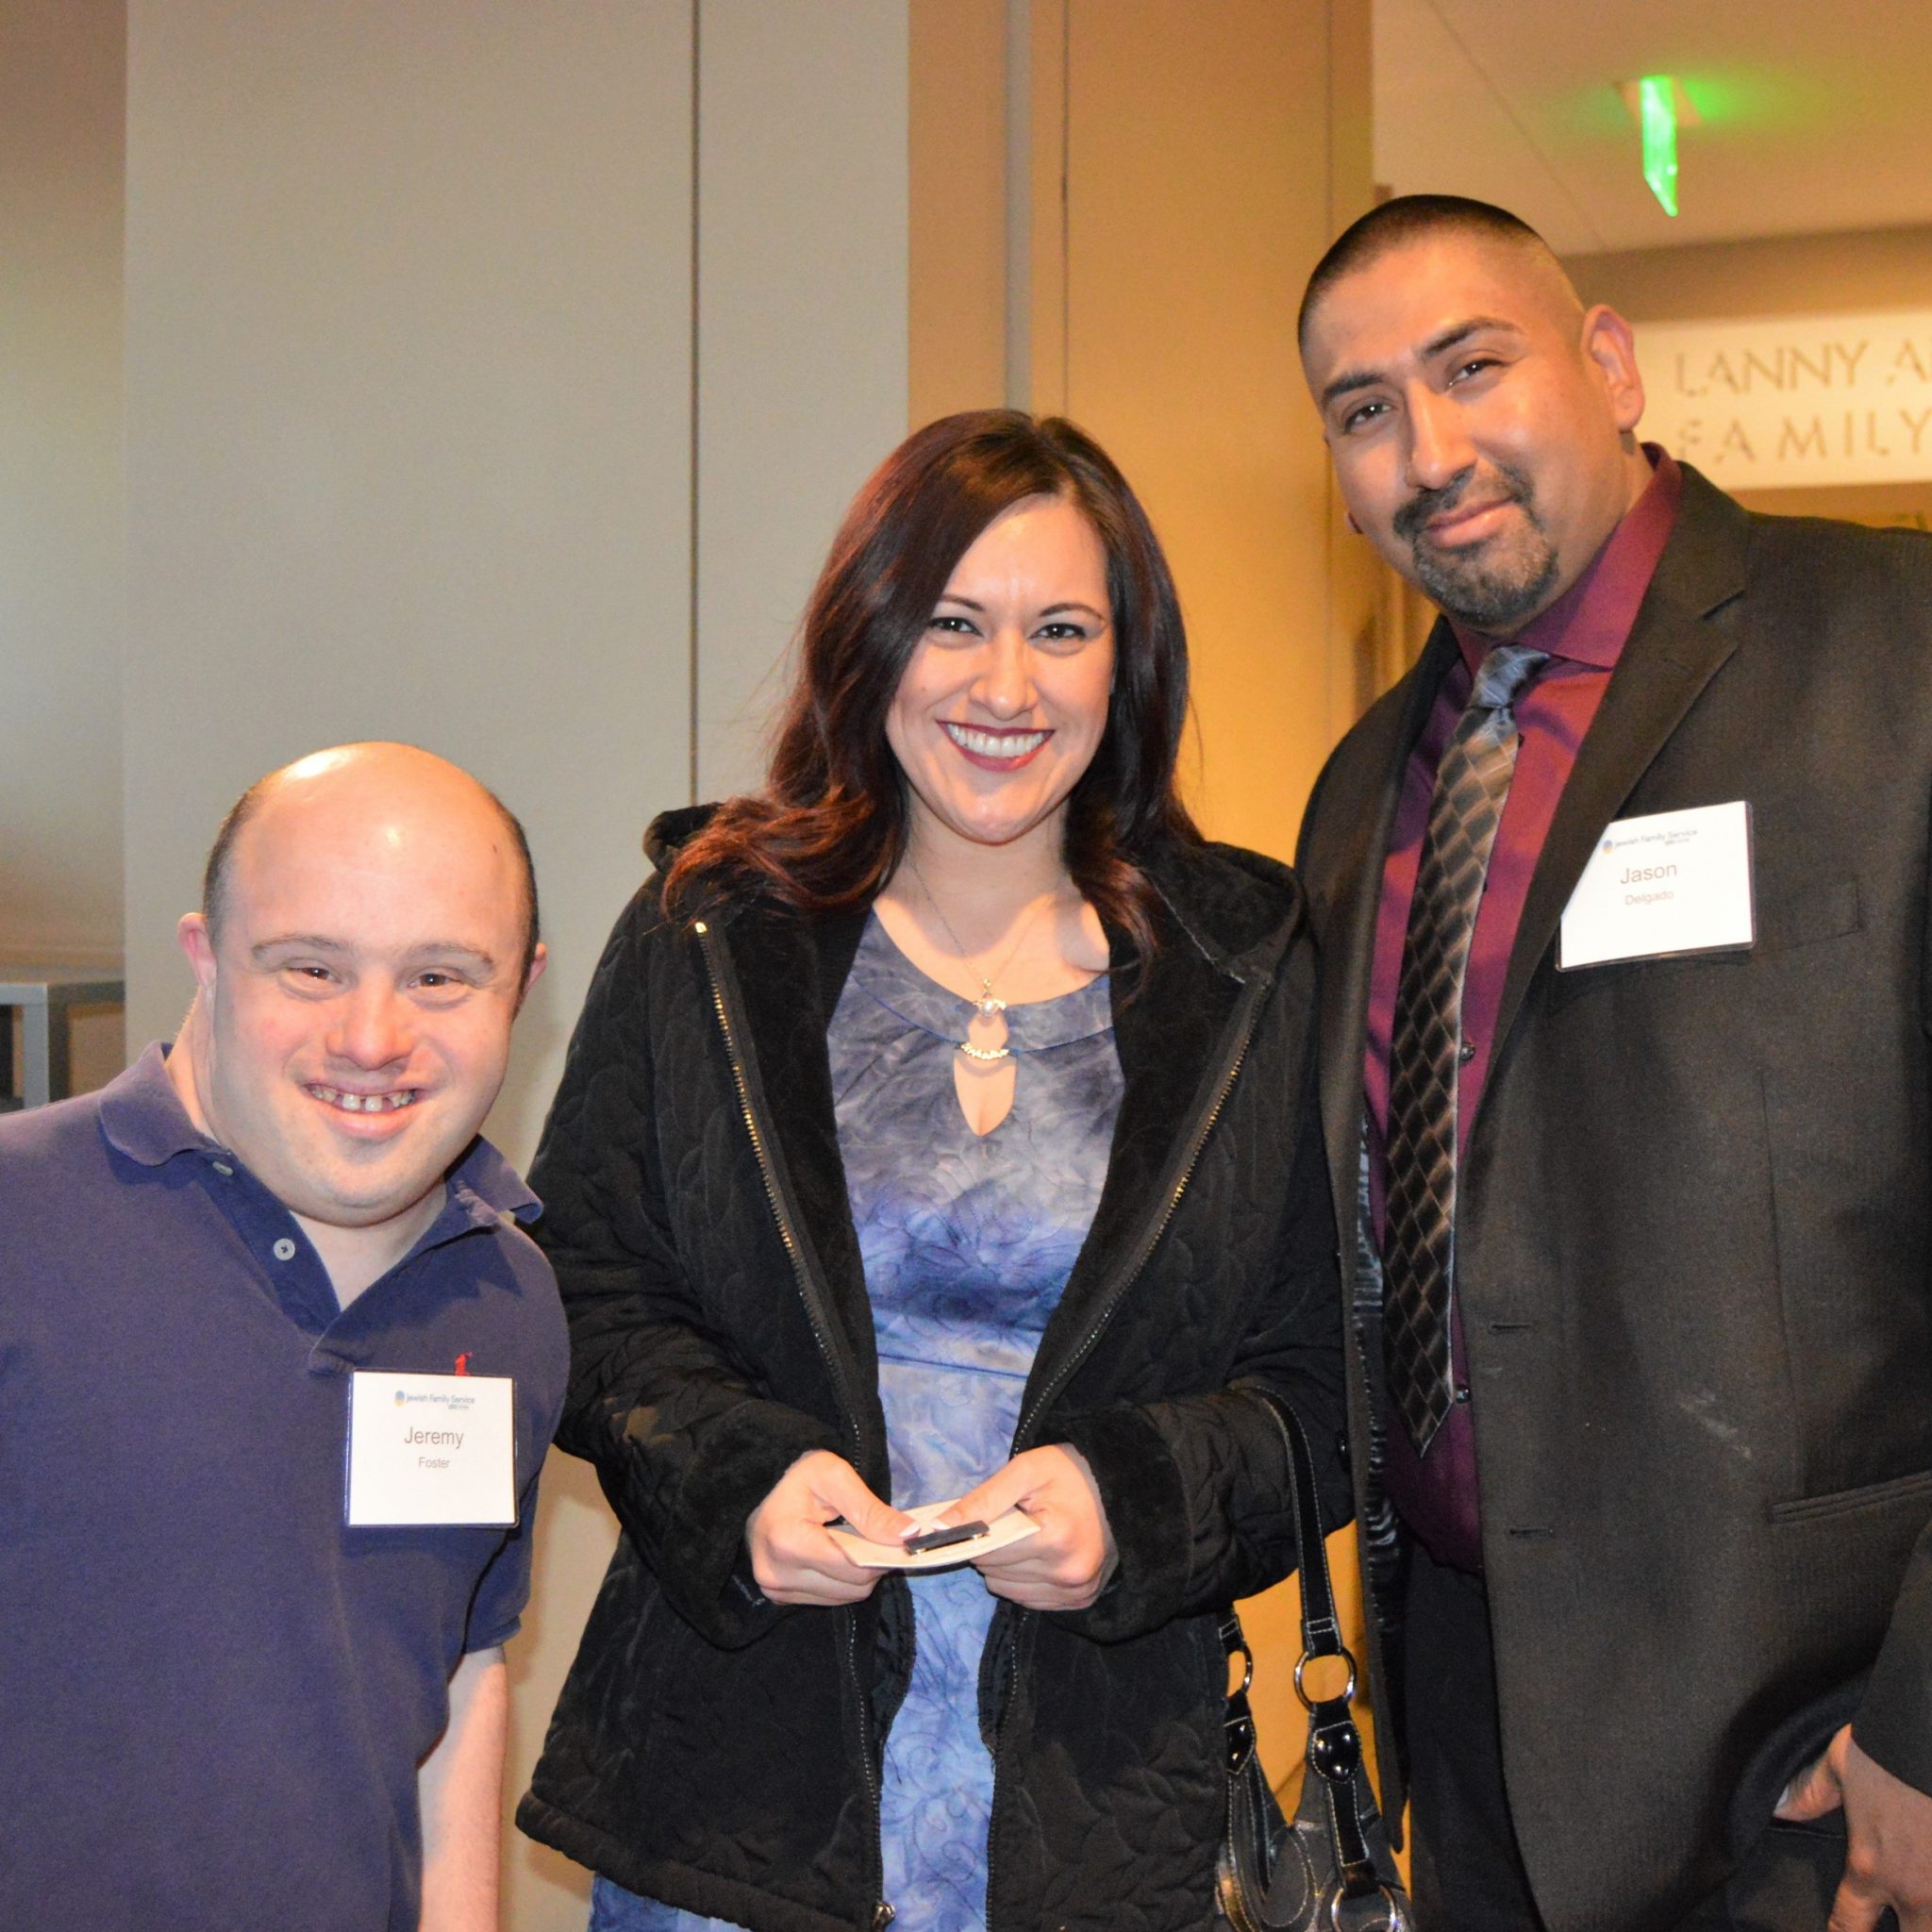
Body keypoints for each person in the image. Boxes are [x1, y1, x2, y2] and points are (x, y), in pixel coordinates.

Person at [515, 409, 1346, 1932]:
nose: (1005, 685)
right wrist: (734, 1469)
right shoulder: (708, 929)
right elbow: (582, 1283)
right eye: (953, 622)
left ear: (1126, 662)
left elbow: (1323, 1382)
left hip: (1095, 1798)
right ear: (871, 637)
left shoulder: (1249, 967)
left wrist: (1135, 1494)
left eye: (1061, 629)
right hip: (740, 1779)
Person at [1292, 193, 1932, 1932]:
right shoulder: (1362, 793)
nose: (1425, 450)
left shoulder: (1892, 648)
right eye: (1362, 412)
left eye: (1469, 366)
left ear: (1607, 361)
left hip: (1819, 1749)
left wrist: (1927, 1718)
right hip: (1478, 1726)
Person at [0, 742, 568, 1932]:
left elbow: (456, 1679)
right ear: (205, 958)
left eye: (441, 977)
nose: (372, 1036)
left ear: (521, 986)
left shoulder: (508, 1302)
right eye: (311, 966)